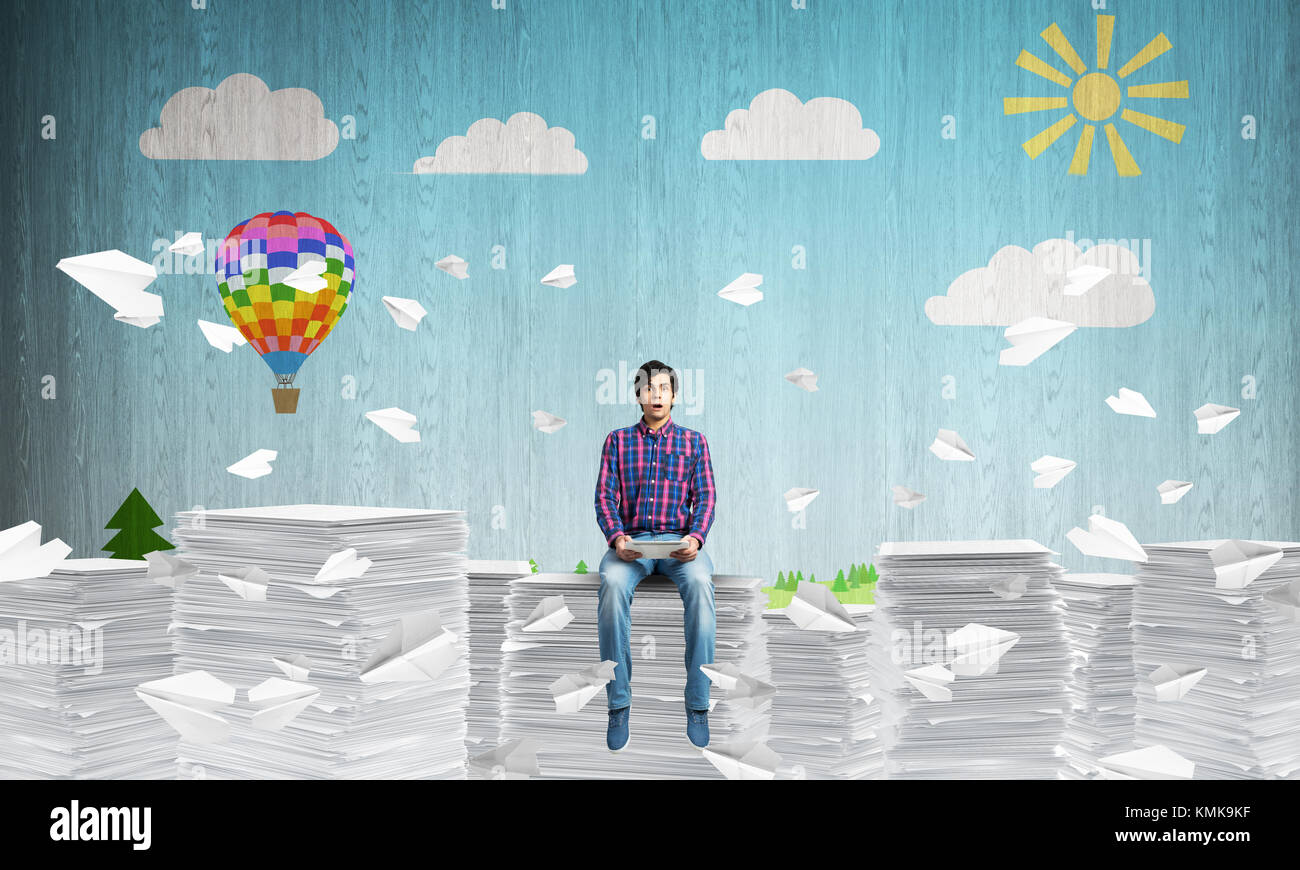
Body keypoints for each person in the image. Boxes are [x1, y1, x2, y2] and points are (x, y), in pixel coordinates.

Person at [594, 360, 716, 752]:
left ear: (675, 396)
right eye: (649, 388)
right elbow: (604, 497)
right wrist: (616, 539)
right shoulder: (617, 441)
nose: (656, 394)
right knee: (611, 583)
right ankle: (619, 702)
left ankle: (698, 703)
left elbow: (706, 498)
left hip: (681, 544)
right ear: (638, 395)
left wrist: (696, 538)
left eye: (664, 388)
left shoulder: (694, 442)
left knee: (700, 583)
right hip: (631, 543)